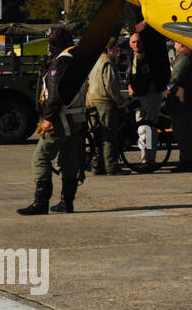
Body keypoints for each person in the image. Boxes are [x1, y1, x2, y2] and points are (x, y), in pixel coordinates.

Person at [17, 27, 87, 215]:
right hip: (75, 118)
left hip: (60, 119)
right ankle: (67, 203)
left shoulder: (60, 62)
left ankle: (41, 203)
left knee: (40, 159)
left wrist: (48, 118)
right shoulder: (76, 59)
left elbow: (55, 94)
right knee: (68, 161)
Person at [87, 40, 130, 175]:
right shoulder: (107, 63)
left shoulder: (95, 62)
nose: (117, 51)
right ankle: (111, 166)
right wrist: (120, 101)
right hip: (105, 102)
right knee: (109, 135)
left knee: (97, 137)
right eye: (115, 48)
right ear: (109, 49)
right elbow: (111, 86)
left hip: (92, 100)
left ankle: (97, 166)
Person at [166, 40, 192, 171]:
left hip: (184, 101)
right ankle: (187, 161)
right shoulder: (191, 54)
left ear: (181, 44)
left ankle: (186, 162)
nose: (174, 46)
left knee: (183, 133)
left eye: (175, 43)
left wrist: (162, 83)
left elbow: (174, 77)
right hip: (191, 100)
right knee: (188, 132)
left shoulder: (184, 56)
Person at [127, 31, 162, 167]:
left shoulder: (150, 57)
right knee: (141, 128)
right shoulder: (131, 56)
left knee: (148, 127)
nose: (136, 44)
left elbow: (155, 74)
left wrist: (153, 85)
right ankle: (145, 156)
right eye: (133, 42)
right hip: (138, 95)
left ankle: (148, 159)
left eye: (138, 41)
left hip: (150, 95)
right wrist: (129, 85)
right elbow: (130, 73)